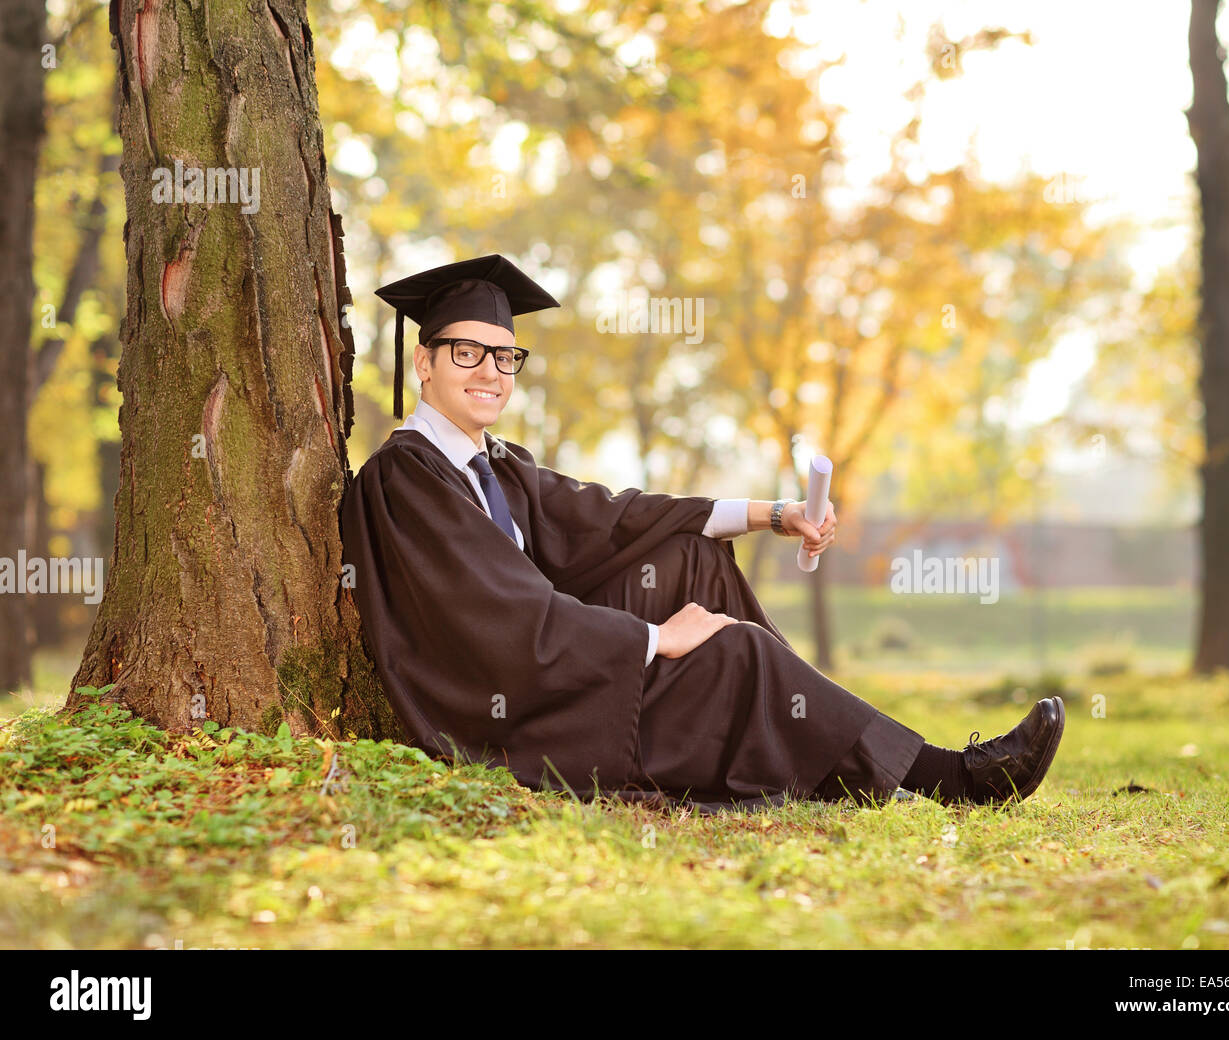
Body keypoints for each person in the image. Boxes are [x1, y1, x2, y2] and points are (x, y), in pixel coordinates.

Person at [340, 253, 1065, 813]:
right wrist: (656, 640)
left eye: (505, 357)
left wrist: (772, 513)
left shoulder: (493, 463)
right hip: (510, 710)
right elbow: (501, 619)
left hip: (547, 664)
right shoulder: (410, 477)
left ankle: (833, 749)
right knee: (734, 647)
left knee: (690, 553)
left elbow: (611, 515)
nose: (491, 373)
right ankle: (951, 778)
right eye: (467, 353)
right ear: (424, 362)